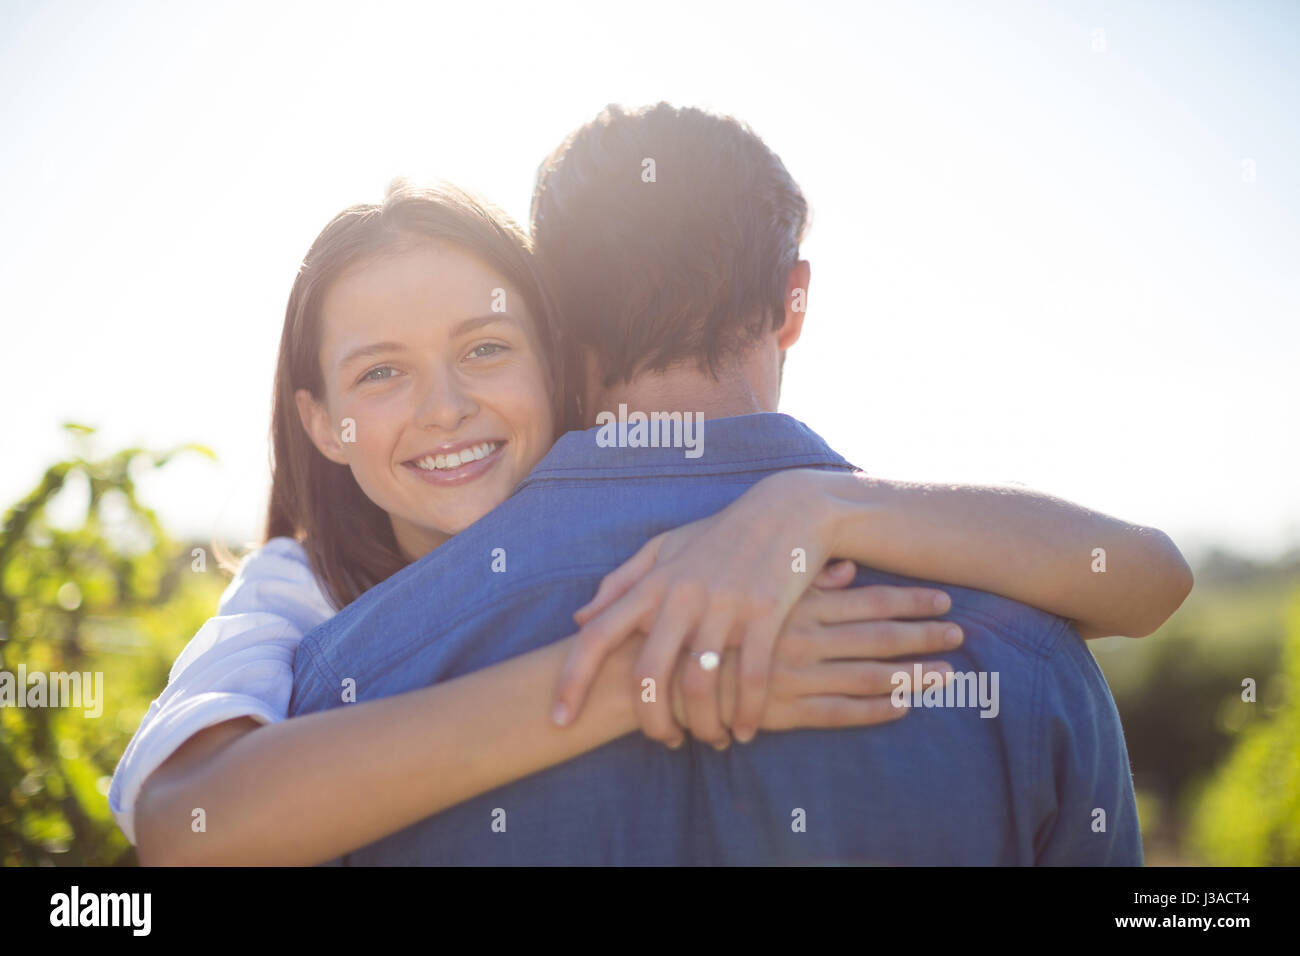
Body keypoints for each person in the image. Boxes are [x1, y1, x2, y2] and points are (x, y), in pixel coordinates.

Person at [282, 103, 1191, 865]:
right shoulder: (1017, 648)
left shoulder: (350, 688)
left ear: (547, 311)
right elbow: (1152, 578)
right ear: (793, 300)